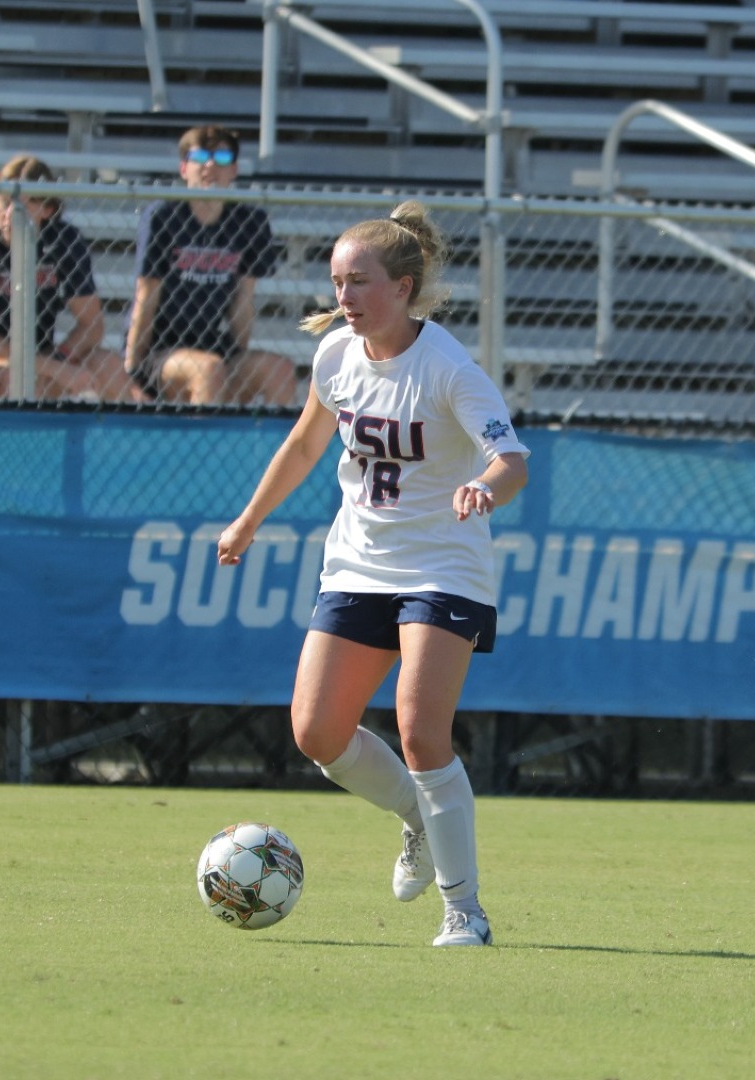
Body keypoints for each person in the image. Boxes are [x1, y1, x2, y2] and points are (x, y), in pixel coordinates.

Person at [215, 201, 530, 948]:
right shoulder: (335, 358)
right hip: (358, 561)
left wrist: (485, 486)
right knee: (317, 731)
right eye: (336, 281)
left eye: (359, 281)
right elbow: (301, 447)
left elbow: (511, 459)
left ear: (404, 286)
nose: (344, 297)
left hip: (443, 564)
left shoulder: (448, 367)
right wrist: (249, 519)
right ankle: (419, 819)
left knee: (423, 733)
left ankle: (466, 911)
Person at [124, 125, 298, 406]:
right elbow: (146, 293)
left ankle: (278, 451)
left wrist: (239, 355)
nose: (210, 165)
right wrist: (131, 370)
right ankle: (195, 448)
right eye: (200, 156)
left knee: (279, 369)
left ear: (234, 169)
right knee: (208, 370)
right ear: (183, 168)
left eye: (222, 158)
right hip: (163, 351)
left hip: (216, 346)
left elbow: (244, 298)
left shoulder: (249, 221)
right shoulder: (163, 216)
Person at [0, 154, 141, 402]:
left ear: (47, 209)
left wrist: (59, 358)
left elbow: (92, 325)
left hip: (45, 353)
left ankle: (113, 438)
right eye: (4, 202)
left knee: (110, 367)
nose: (10, 214)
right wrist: (54, 369)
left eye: (24, 205)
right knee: (12, 381)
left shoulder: (63, 240)